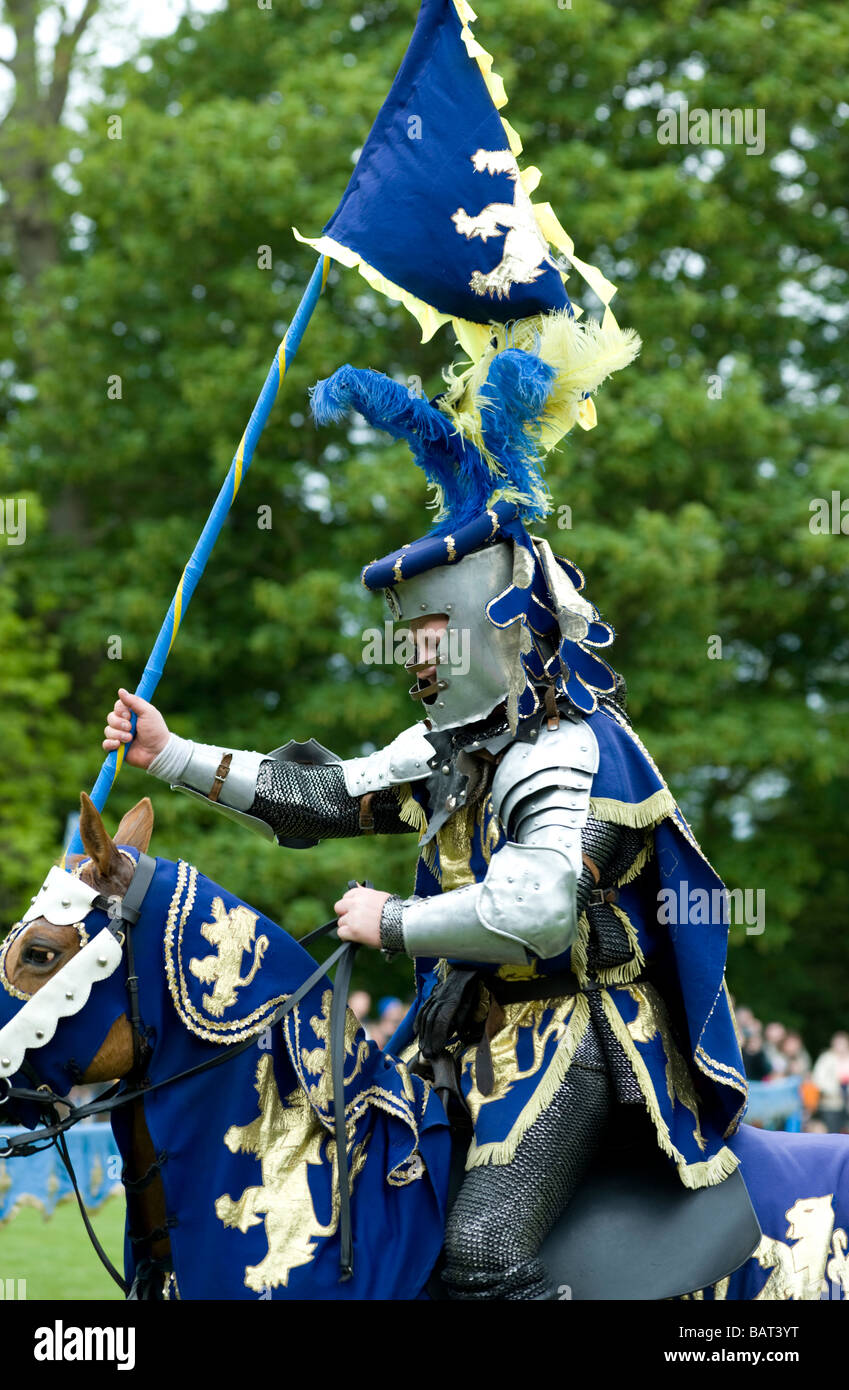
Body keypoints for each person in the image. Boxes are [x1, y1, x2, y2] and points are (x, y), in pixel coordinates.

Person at [103, 328, 749, 1300]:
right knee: (364, 1211)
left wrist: (394, 920)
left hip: (574, 1033)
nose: (412, 652)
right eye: (407, 633)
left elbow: (537, 912)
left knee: (480, 1254)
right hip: (460, 1036)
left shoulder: (568, 747)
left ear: (491, 621)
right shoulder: (453, 747)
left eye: (427, 629)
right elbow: (326, 795)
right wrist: (172, 755)